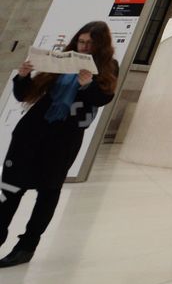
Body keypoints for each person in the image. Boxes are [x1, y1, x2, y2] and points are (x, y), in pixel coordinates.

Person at [0, 21, 119, 268]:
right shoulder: (61, 59)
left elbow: (103, 98)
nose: (84, 47)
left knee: (48, 191)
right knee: (9, 188)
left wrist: (87, 85)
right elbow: (24, 95)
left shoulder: (107, 67)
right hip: (31, 132)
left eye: (90, 43)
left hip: (64, 138)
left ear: (100, 46)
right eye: (81, 41)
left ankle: (26, 246)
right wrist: (22, 77)